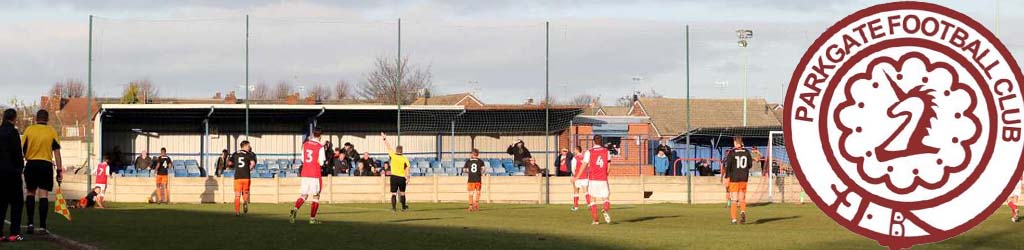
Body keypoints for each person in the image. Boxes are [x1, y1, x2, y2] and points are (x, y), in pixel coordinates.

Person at [22, 110, 63, 234]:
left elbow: (22, 149)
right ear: (47, 119)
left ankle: (30, 224)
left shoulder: (29, 130)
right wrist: (59, 171)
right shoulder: (51, 131)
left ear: (36, 119)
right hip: (45, 165)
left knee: (30, 193)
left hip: (31, 164)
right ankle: (42, 226)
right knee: (43, 195)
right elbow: (57, 153)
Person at [291, 129, 326, 224]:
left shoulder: (305, 144)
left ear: (313, 134)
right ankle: (312, 219)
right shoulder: (320, 146)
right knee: (316, 196)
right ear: (320, 136)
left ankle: (295, 209)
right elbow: (322, 162)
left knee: (303, 195)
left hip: (305, 173)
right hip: (315, 173)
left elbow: (302, 159)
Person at [0, 109, 25, 241]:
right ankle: (14, 233)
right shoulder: (13, 132)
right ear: (14, 118)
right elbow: (17, 152)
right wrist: (20, 168)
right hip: (12, 173)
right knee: (17, 203)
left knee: (1, 203)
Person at [578, 135, 612, 225]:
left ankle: (596, 220)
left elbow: (584, 165)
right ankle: (605, 209)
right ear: (601, 141)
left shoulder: (589, 152)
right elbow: (609, 166)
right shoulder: (606, 151)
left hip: (593, 179)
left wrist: (576, 176)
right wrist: (606, 174)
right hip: (603, 179)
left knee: (592, 198)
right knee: (606, 197)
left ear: (593, 141)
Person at [725, 136, 753, 225]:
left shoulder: (732, 152)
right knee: (742, 197)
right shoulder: (747, 152)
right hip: (744, 177)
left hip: (734, 178)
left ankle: (734, 220)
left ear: (735, 143)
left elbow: (728, 166)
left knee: (734, 199)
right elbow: (750, 164)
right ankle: (743, 211)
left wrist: (726, 177)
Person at [381, 132, 411, 212]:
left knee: (393, 193)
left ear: (396, 150)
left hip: (394, 177)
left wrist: (384, 138)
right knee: (402, 193)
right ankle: (404, 208)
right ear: (402, 151)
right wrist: (408, 177)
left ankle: (394, 208)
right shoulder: (405, 158)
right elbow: (407, 168)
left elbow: (388, 146)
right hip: (401, 178)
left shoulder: (393, 155)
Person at [229, 141, 256, 216]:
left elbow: (229, 163)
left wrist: (234, 165)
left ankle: (237, 212)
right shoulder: (248, 154)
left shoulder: (235, 153)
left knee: (237, 195)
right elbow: (253, 163)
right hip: (246, 176)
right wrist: (248, 169)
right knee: (246, 192)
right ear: (244, 146)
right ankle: (245, 201)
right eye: (248, 146)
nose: (249, 147)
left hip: (237, 177)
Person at [570, 146, 586, 212]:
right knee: (586, 192)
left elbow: (573, 168)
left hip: (577, 176)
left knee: (576, 191)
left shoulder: (575, 158)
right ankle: (590, 205)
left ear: (577, 150)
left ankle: (576, 207)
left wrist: (574, 176)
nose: (574, 151)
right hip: (585, 176)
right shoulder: (585, 157)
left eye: (574, 149)